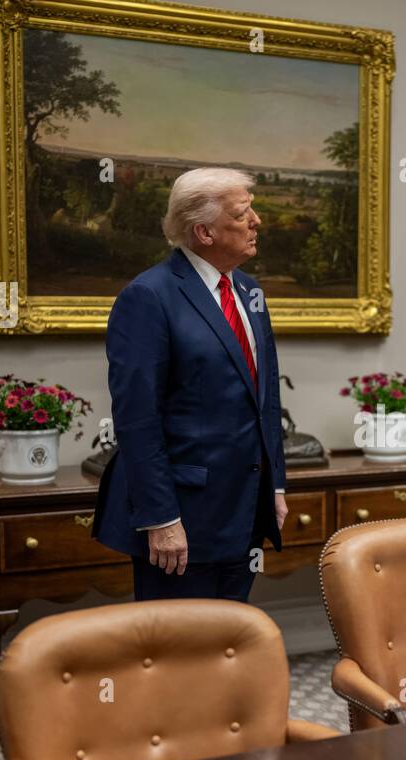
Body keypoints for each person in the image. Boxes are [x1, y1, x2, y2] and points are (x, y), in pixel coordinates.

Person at [94, 168, 286, 601]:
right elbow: (136, 418)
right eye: (243, 213)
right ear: (204, 231)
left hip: (245, 510)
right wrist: (160, 518)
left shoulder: (249, 292)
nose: (257, 221)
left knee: (229, 647)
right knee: (177, 656)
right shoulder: (149, 297)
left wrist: (274, 486)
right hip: (182, 520)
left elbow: (266, 399)